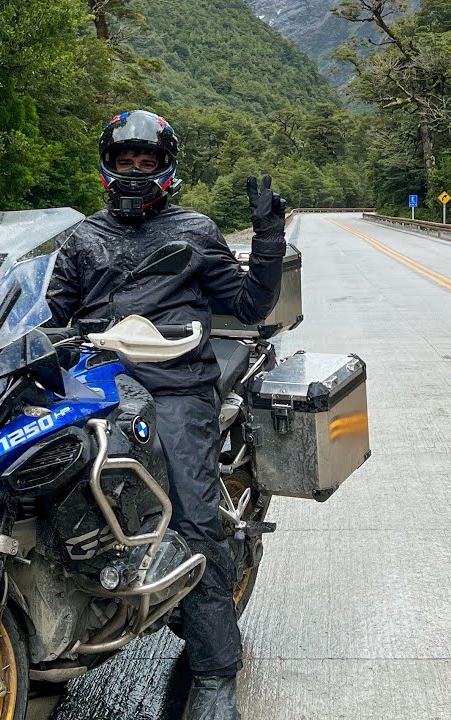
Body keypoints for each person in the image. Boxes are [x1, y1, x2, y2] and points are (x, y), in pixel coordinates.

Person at [46, 110, 287, 720]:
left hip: (176, 383)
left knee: (194, 514)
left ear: (165, 168)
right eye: (125, 160)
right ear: (107, 165)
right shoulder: (82, 238)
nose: (133, 170)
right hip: (96, 380)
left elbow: (249, 304)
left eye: (145, 161)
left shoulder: (196, 230)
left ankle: (214, 674)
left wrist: (267, 240)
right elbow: (50, 316)